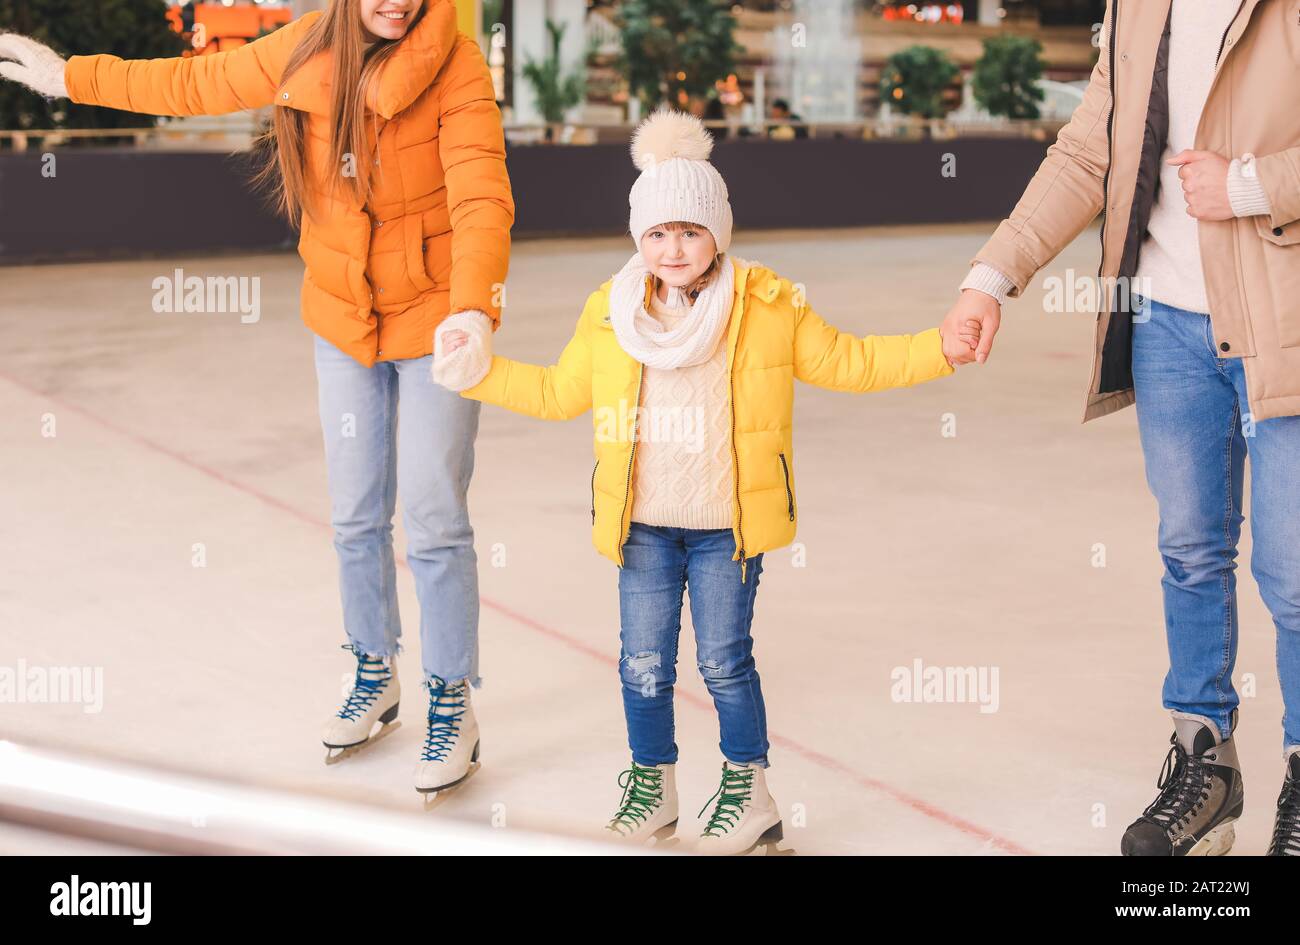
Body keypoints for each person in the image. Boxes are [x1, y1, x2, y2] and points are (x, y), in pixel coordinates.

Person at [0, 0, 514, 798]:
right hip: (343, 319)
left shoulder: (457, 64)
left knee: (435, 515)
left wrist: (475, 309)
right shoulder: (302, 48)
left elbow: (482, 197)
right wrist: (70, 76)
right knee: (353, 513)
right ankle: (374, 670)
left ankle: (453, 698)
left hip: (439, 323)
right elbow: (191, 82)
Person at [433, 108, 965, 853]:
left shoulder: (768, 304)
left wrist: (938, 347)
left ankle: (748, 788)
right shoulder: (611, 313)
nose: (673, 247)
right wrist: (479, 369)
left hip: (727, 528)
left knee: (723, 660)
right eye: (657, 233)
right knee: (642, 661)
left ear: (719, 230)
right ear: (638, 239)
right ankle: (652, 783)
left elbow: (853, 361)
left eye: (689, 230)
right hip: (643, 526)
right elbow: (557, 392)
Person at [940, 0, 1300, 856]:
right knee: (1190, 549)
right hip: (1169, 324)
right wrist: (992, 275)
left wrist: (1252, 185)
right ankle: (1203, 766)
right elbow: (1091, 149)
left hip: (1282, 324)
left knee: (1295, 572)